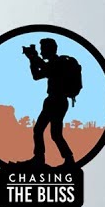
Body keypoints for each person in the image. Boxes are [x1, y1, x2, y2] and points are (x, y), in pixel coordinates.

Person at [21, 38, 80, 168]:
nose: (41, 52)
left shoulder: (57, 64)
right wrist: (32, 59)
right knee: (55, 134)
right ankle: (68, 159)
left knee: (40, 130)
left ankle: (40, 159)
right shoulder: (55, 64)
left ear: (49, 49)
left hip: (55, 101)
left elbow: (43, 69)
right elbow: (37, 75)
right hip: (58, 101)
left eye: (42, 49)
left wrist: (33, 57)